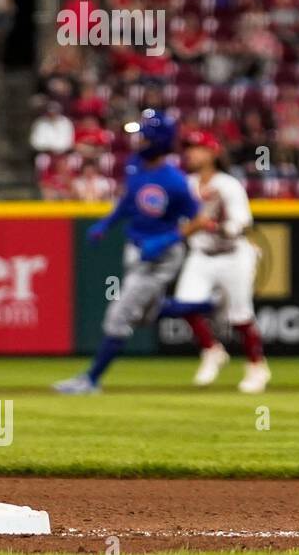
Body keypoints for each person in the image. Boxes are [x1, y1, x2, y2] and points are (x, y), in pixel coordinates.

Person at [54, 110, 199, 394]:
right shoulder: (135, 165)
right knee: (145, 316)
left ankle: (91, 379)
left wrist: (167, 239)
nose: (139, 140)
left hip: (161, 255)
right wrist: (107, 224)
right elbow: (127, 202)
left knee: (119, 315)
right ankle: (210, 306)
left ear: (158, 140)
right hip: (136, 247)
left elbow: (200, 219)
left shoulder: (175, 181)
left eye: (144, 135)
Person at [159, 131, 269, 393]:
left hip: (233, 254)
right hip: (201, 255)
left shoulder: (228, 184)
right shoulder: (186, 184)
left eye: (198, 148)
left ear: (213, 153)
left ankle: (257, 367)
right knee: (184, 305)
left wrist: (215, 225)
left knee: (241, 315)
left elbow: (241, 224)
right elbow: (177, 219)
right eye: (189, 148)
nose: (191, 153)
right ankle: (212, 350)